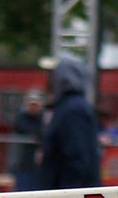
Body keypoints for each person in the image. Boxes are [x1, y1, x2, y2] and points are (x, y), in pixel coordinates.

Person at [38, 57, 101, 190]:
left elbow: (77, 157)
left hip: (70, 192)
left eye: (53, 74)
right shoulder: (67, 107)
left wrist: (68, 195)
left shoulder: (73, 109)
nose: (50, 79)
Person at [10, 90, 46, 192]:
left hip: (40, 165)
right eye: (31, 104)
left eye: (36, 104)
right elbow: (23, 128)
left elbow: (44, 133)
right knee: (23, 189)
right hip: (23, 162)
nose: (33, 107)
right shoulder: (21, 118)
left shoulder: (44, 119)